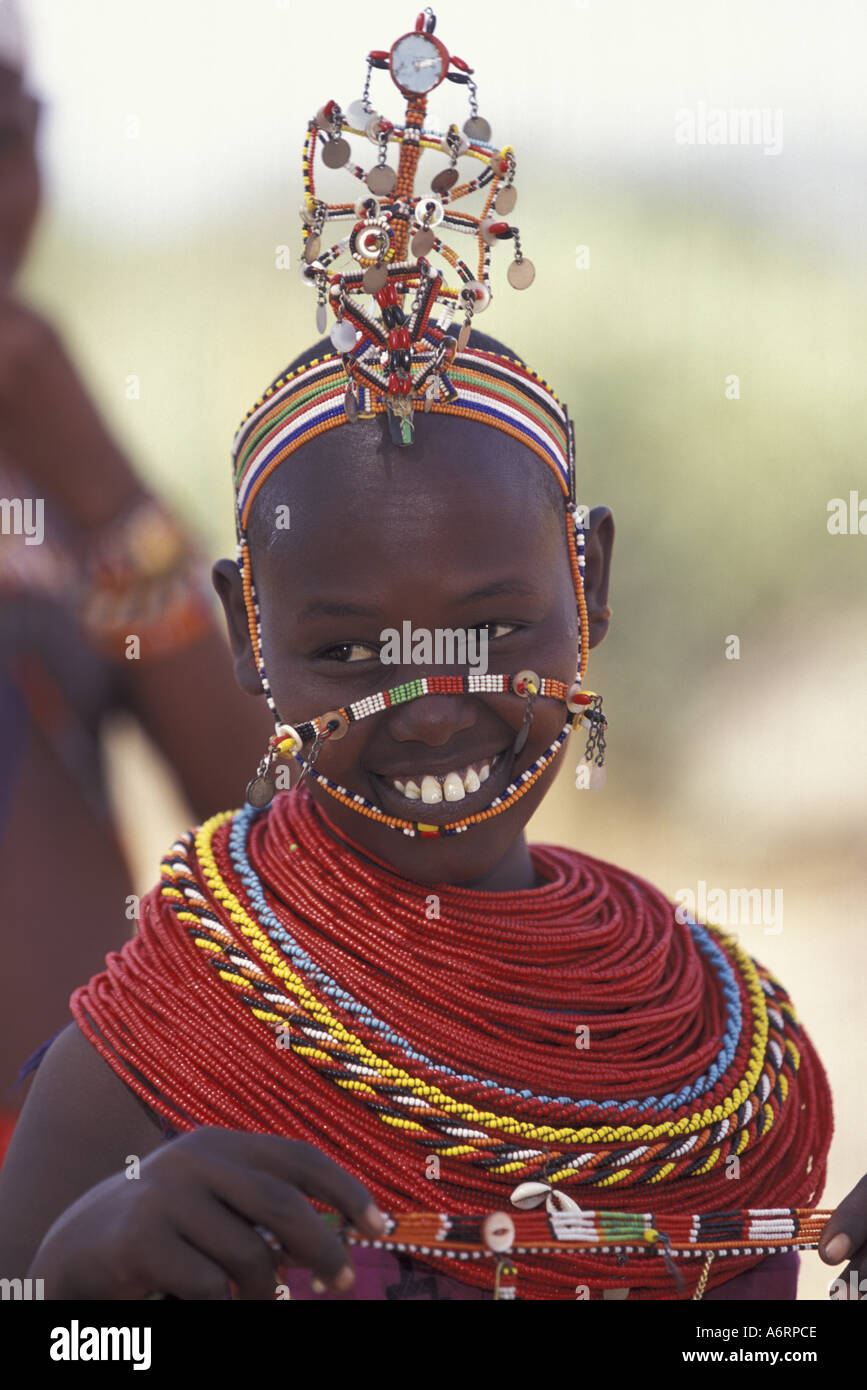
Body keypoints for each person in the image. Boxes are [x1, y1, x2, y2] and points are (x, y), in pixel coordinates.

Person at [0, 6, 863, 1302]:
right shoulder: (157, 1033)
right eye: (350, 646)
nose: (432, 701)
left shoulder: (711, 1061)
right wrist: (83, 1287)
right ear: (249, 637)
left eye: (494, 627)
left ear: (592, 586)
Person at [0, 0, 267, 1157]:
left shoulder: (53, 449)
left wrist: (102, 485)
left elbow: (263, 804)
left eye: (12, 135)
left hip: (70, 1184)